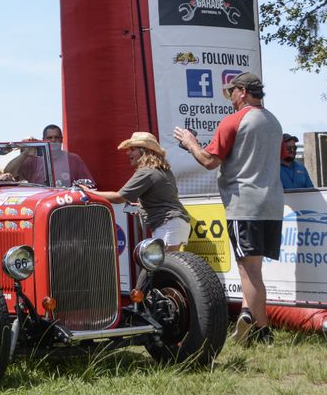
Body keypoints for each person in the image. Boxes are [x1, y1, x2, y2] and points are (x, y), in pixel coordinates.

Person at [174, 71, 283, 346]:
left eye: (231, 92)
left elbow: (209, 161)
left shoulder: (234, 120)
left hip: (244, 204)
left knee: (249, 271)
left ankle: (263, 332)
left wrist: (189, 142)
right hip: (271, 203)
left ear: (242, 91)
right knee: (254, 268)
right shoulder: (274, 121)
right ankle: (248, 316)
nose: (230, 98)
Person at [78, 132, 190, 251]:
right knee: (163, 267)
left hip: (168, 225)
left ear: (144, 151)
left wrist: (88, 192)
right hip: (175, 223)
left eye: (132, 149)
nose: (128, 152)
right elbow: (163, 198)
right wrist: (142, 206)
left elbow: (118, 197)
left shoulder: (146, 172)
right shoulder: (164, 170)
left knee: (163, 267)